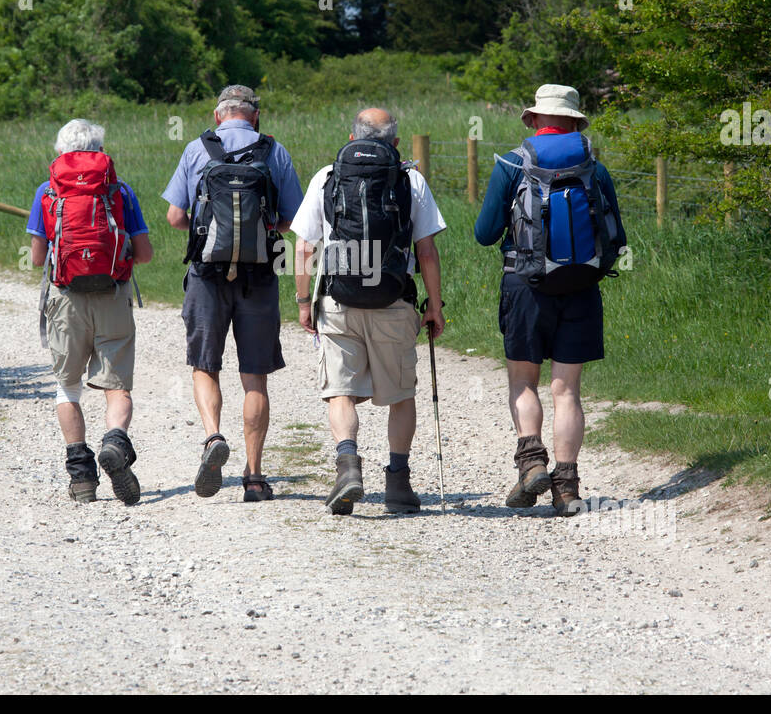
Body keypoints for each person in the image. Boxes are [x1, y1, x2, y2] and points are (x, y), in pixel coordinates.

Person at [473, 84, 626, 515]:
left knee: (524, 381)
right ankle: (567, 487)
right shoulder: (595, 168)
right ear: (576, 123)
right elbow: (616, 234)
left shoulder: (510, 164)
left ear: (535, 119)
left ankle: (531, 461)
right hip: (581, 285)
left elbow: (484, 235)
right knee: (567, 391)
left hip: (526, 286)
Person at [292, 107, 447, 515]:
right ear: (396, 143)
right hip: (394, 301)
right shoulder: (410, 179)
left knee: (340, 391)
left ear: (352, 137)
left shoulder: (327, 177)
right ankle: (397, 483)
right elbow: (426, 251)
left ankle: (347, 466)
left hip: (339, 302)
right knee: (400, 395)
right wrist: (434, 305)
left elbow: (305, 247)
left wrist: (304, 302)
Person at [163, 85, 304, 502]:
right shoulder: (274, 152)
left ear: (218, 114)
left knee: (205, 365)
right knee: (254, 377)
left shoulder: (197, 149)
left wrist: (210, 232)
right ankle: (256, 478)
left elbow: (174, 217)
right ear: (255, 116)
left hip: (207, 275)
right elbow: (292, 218)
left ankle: (212, 438)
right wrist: (257, 233)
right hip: (260, 276)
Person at [27, 119, 153, 505]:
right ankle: (114, 441)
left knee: (68, 386)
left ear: (60, 150)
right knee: (117, 385)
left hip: (66, 298)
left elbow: (36, 259)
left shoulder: (47, 191)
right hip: (113, 295)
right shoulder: (120, 191)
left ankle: (82, 478)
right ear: (99, 150)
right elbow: (145, 254)